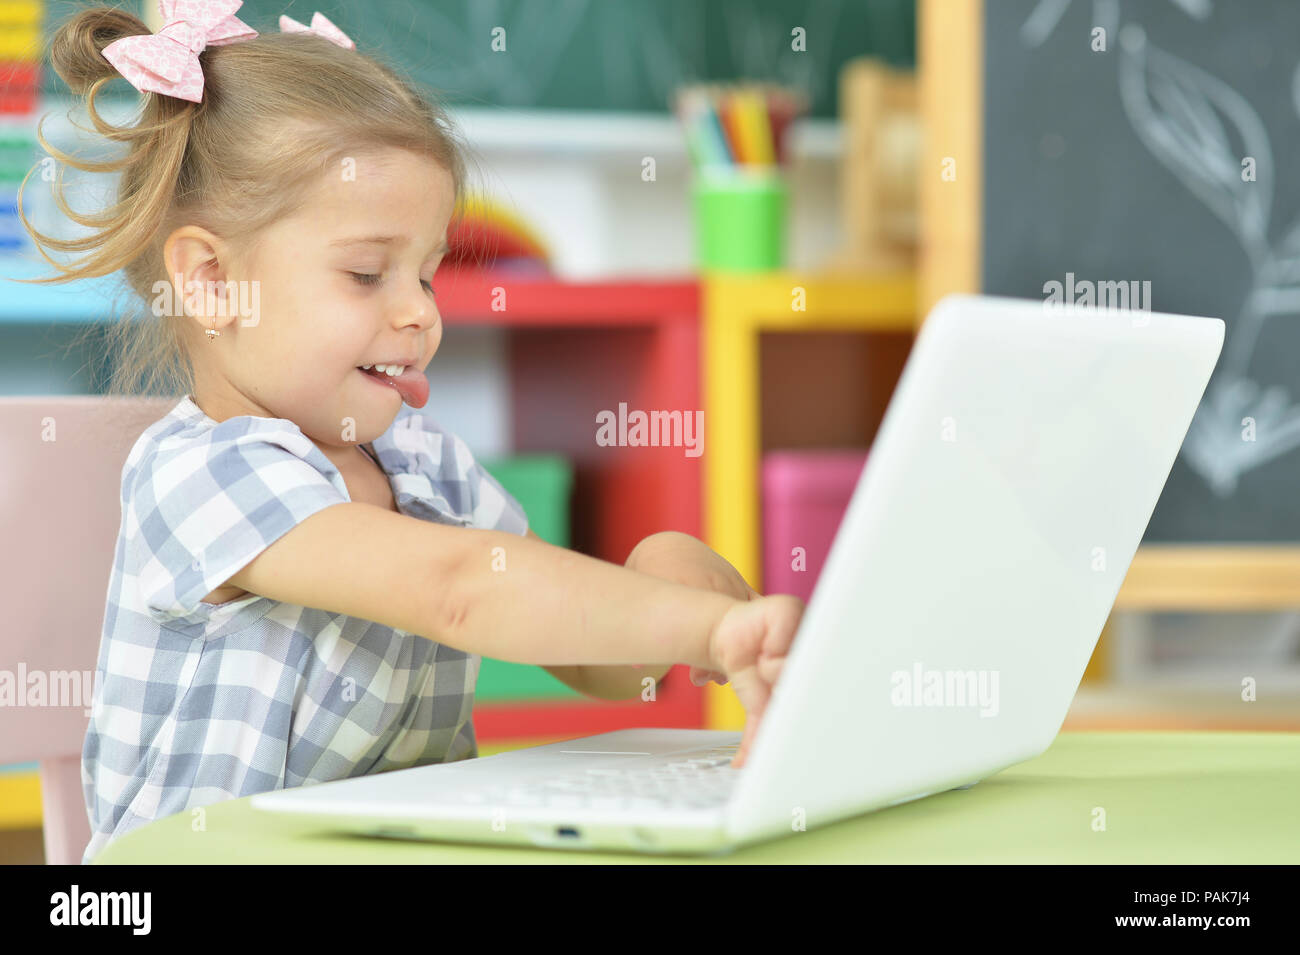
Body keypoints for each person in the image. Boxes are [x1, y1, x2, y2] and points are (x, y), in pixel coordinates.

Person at [15, 3, 804, 864]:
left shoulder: (423, 465)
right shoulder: (200, 474)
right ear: (210, 281)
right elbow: (460, 590)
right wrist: (694, 627)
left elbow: (586, 657)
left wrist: (670, 591)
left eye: (427, 274)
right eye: (367, 273)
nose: (419, 313)